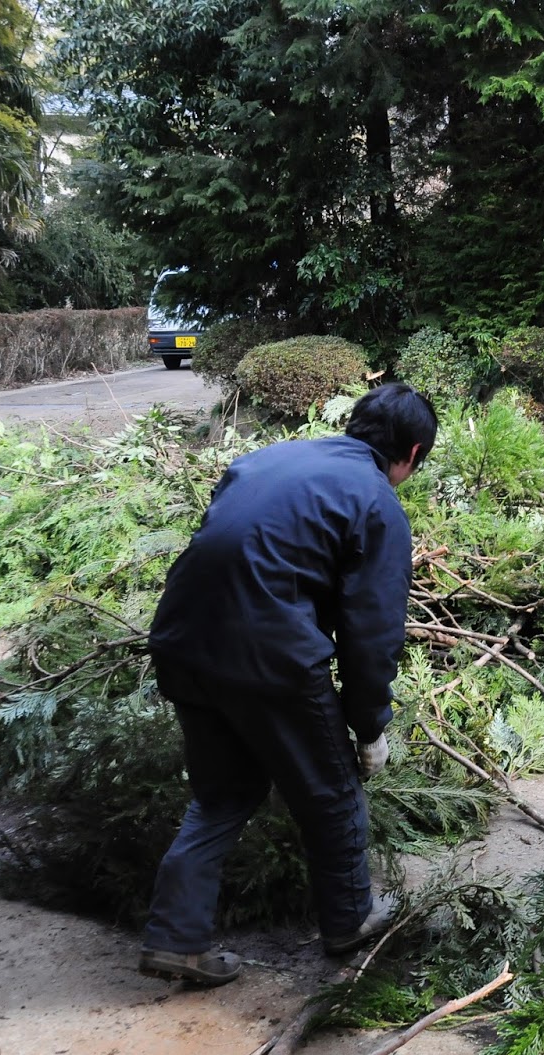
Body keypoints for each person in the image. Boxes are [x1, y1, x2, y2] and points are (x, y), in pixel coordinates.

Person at [139, 382, 438, 986]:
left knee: (224, 794)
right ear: (409, 453)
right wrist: (369, 725)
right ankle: (350, 921)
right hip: (268, 659)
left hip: (181, 644)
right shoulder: (376, 502)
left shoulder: (265, 458)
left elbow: (240, 549)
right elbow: (371, 633)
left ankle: (176, 938)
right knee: (330, 793)